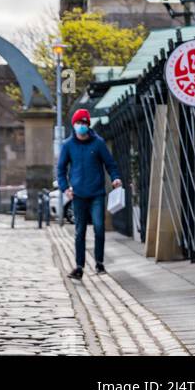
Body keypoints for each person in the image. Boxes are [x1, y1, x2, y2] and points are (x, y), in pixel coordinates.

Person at [57, 108, 123, 278]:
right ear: (74, 125)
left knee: (99, 228)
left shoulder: (98, 143)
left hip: (97, 194)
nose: (81, 126)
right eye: (79, 123)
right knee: (80, 232)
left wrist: (115, 178)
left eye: (84, 123)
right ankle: (79, 266)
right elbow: (61, 169)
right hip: (78, 195)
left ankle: (99, 263)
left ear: (88, 124)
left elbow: (110, 164)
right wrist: (65, 188)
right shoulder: (68, 145)